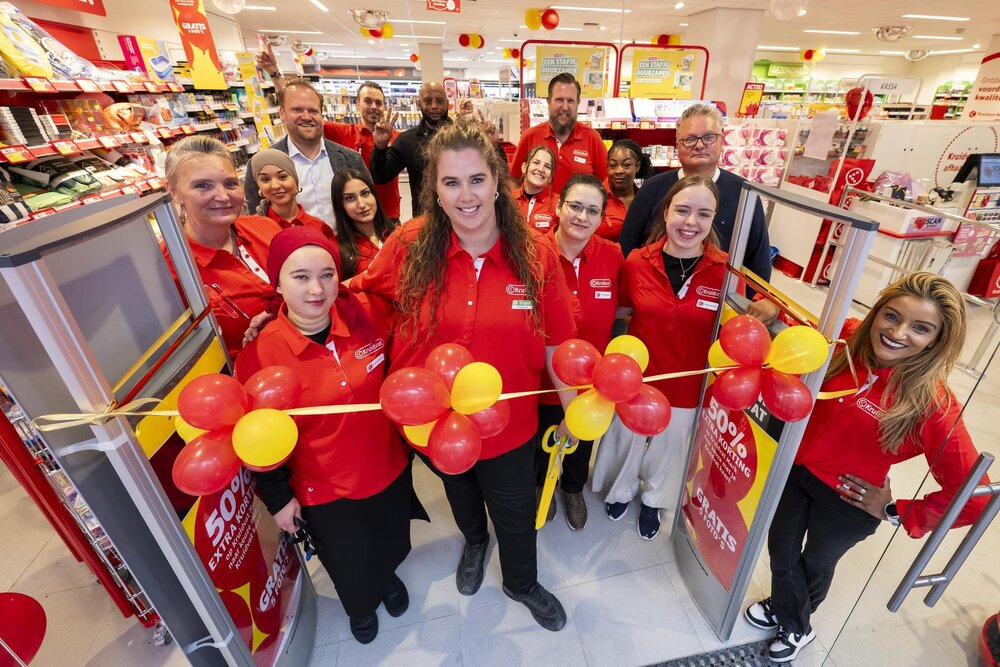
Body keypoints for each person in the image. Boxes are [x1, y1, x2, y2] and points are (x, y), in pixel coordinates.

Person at [353, 119, 577, 632]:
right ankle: (475, 543)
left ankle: (522, 583)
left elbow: (558, 343)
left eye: (476, 180)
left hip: (511, 425)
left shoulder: (537, 256)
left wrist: (573, 412)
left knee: (515, 512)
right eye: (451, 183)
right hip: (435, 422)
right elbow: (359, 292)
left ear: (499, 182)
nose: (465, 195)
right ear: (433, 188)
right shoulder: (410, 245)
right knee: (460, 494)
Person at [744, 272, 989, 663]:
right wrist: (775, 309)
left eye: (920, 328)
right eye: (891, 316)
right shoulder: (849, 337)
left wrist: (896, 510)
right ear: (877, 312)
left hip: (849, 500)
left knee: (816, 564)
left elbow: (975, 497)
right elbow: (800, 330)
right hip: (794, 472)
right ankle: (789, 612)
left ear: (936, 341)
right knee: (781, 551)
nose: (898, 332)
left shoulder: (933, 404)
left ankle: (795, 628)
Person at [234, 226, 415, 645]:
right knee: (346, 557)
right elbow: (259, 439)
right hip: (324, 486)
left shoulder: (366, 314)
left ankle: (386, 577)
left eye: (328, 274)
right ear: (276, 281)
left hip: (385, 464)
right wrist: (278, 499)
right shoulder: (260, 353)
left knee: (388, 536)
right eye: (299, 277)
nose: (317, 289)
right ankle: (360, 606)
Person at [591, 175, 777, 540]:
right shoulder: (636, 263)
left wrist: (767, 305)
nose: (691, 223)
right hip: (638, 378)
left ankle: (653, 500)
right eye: (683, 210)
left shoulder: (725, 271)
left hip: (690, 381)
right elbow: (623, 311)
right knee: (625, 440)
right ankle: (621, 490)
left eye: (703, 214)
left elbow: (738, 324)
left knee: (671, 449)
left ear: (712, 221)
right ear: (666, 211)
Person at [534, 174, 624, 531]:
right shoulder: (533, 251)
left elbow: (622, 312)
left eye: (592, 211)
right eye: (574, 206)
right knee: (543, 438)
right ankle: (543, 483)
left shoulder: (612, 256)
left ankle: (572, 488)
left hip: (591, 382)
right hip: (539, 378)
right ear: (558, 207)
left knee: (582, 439)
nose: (582, 217)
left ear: (602, 218)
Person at [617, 104, 773, 293]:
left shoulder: (745, 193)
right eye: (690, 139)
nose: (699, 145)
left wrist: (758, 300)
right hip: (653, 300)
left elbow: (758, 260)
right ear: (677, 145)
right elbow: (626, 247)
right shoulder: (652, 188)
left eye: (709, 137)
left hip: (719, 304)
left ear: (721, 140)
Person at [164, 135, 282, 360]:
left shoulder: (266, 229)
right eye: (202, 186)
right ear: (174, 192)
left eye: (230, 183)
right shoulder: (170, 269)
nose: (222, 196)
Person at [244, 79, 370, 228]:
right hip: (292, 249)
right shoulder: (261, 166)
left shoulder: (350, 159)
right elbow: (256, 222)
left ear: (321, 115)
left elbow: (369, 206)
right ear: (282, 113)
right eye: (297, 110)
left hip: (347, 248)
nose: (306, 116)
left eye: (313, 110)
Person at [510, 73, 609, 197]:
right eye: (559, 100)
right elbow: (514, 180)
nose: (565, 107)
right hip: (537, 214)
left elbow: (605, 185)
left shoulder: (593, 139)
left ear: (578, 102)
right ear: (548, 101)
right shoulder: (530, 136)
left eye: (571, 101)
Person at [370, 81, 450, 216]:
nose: (434, 106)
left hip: (461, 218)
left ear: (447, 103)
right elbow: (380, 176)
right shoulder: (407, 141)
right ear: (420, 104)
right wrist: (380, 147)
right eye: (428, 101)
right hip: (424, 222)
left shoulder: (463, 136)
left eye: (440, 101)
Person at [249, 148, 335, 239]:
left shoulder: (319, 228)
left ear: (296, 181)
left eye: (282, 177)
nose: (275, 186)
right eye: (265, 179)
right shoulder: (252, 230)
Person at [331, 169, 397, 279]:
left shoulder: (399, 235)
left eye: (365, 193)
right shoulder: (335, 249)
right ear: (340, 205)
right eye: (350, 198)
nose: (361, 204)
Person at [600, 139, 654, 243]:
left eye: (626, 165)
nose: (619, 171)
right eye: (613, 165)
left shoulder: (646, 199)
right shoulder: (596, 198)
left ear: (637, 166)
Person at [512, 145, 558, 232]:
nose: (541, 169)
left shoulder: (558, 204)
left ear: (551, 177)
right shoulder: (508, 200)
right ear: (524, 167)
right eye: (536, 163)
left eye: (547, 167)